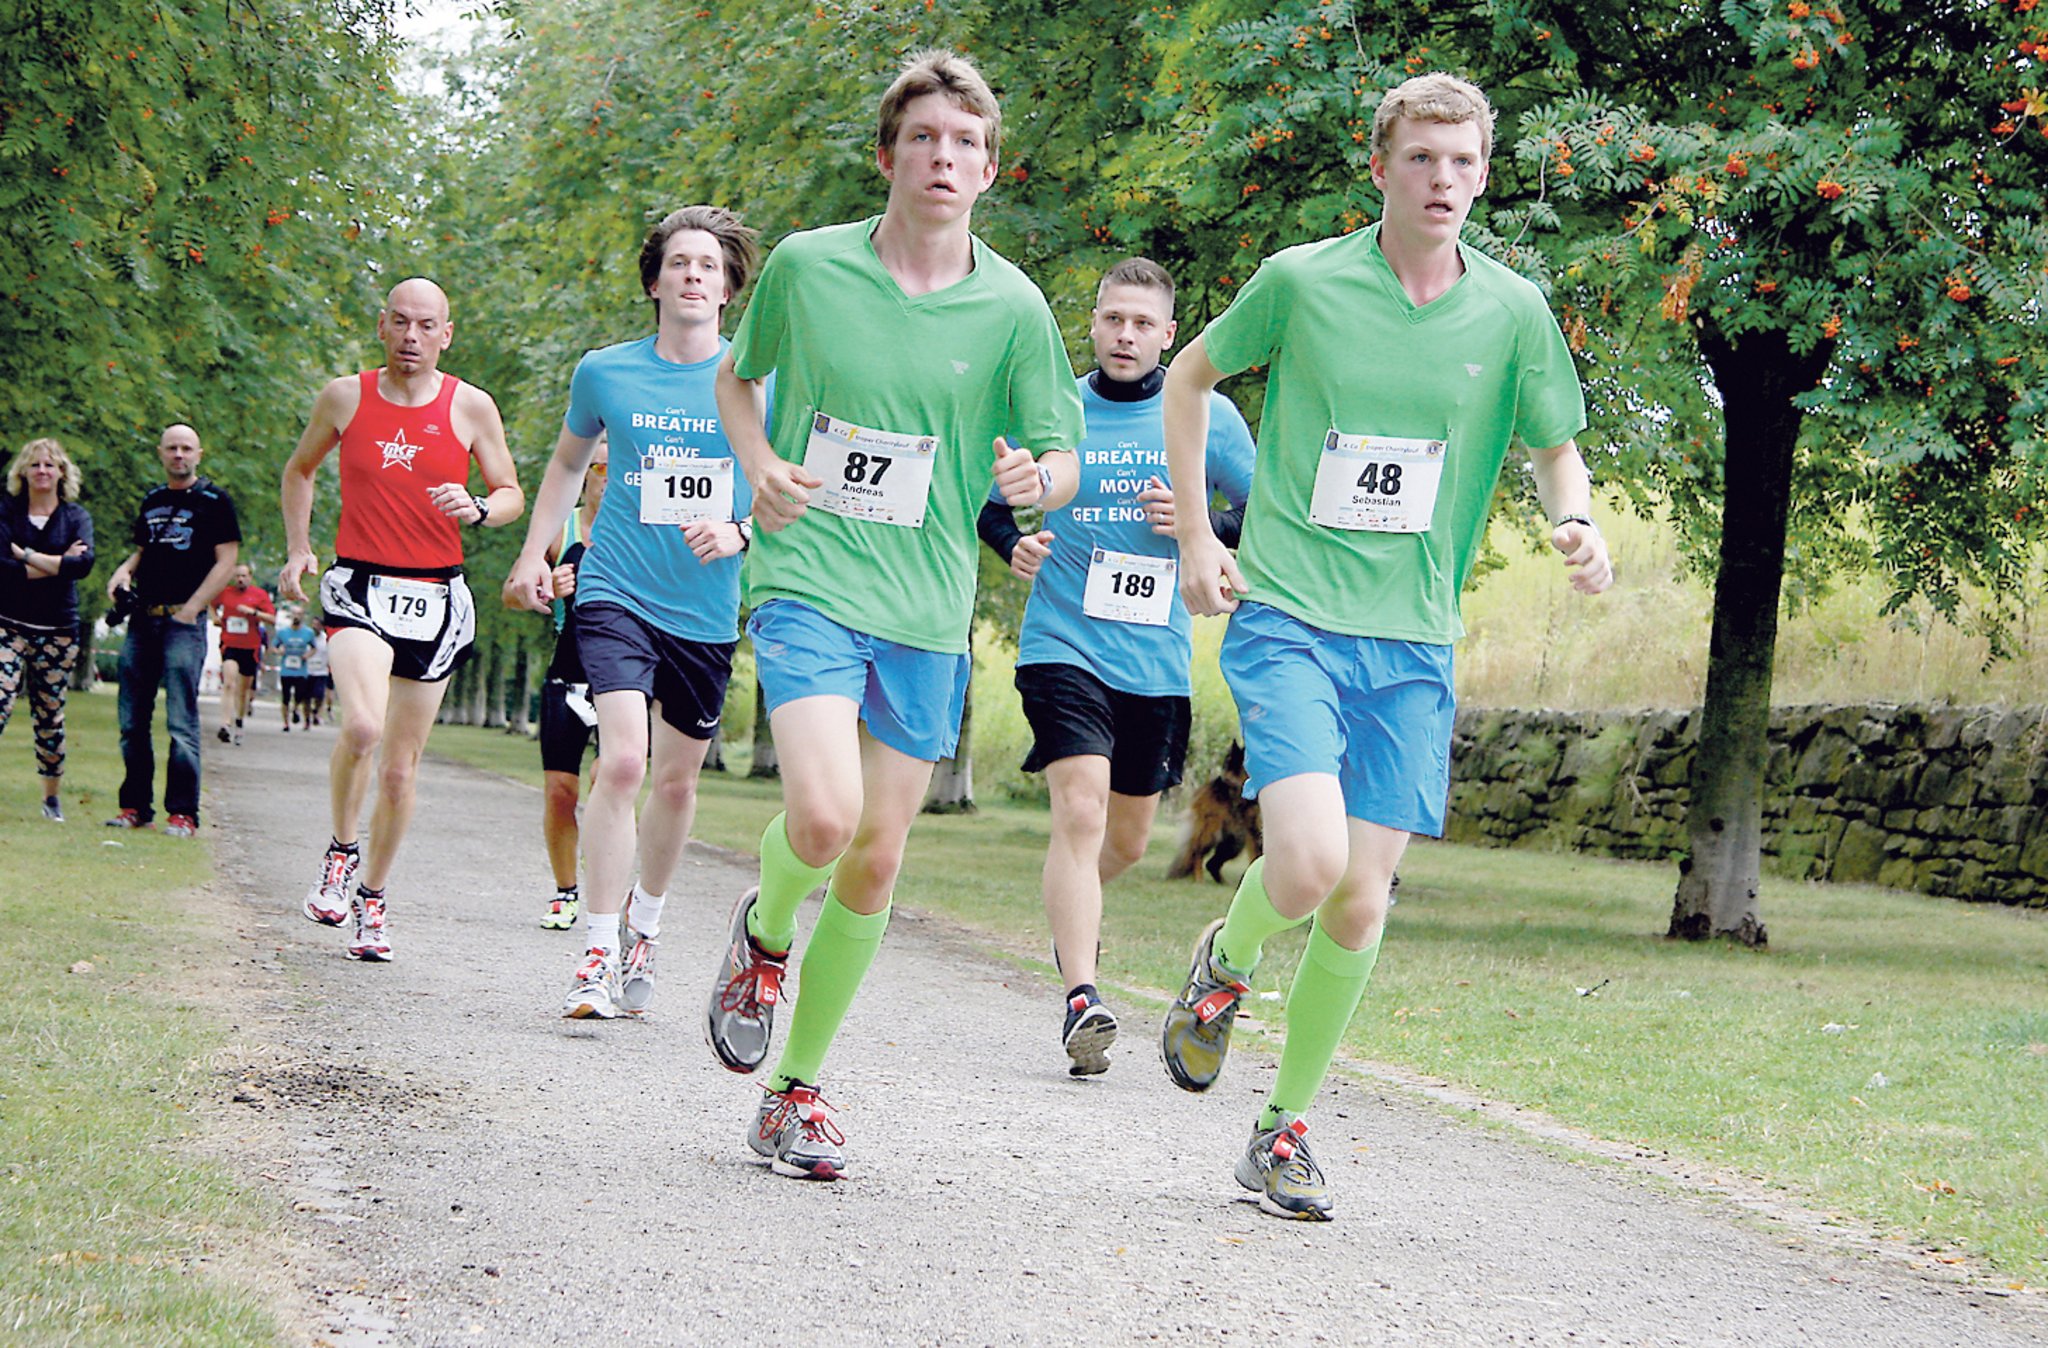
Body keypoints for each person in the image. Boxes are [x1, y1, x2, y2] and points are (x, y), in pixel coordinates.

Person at [1156, 74, 1614, 1221]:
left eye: (1463, 162)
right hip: (1291, 615)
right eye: (1421, 159)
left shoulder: (1511, 311)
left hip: (1411, 638)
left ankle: (1281, 1129)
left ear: (1484, 171)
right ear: (1380, 166)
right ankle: (1227, 959)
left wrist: (1579, 517)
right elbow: (1187, 377)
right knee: (1303, 866)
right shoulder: (1303, 281)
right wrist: (1203, 536)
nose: (1443, 181)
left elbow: (1557, 447)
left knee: (1360, 904)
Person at [705, 49, 1085, 1180]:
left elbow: (1059, 452)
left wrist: (1037, 485)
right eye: (923, 138)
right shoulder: (806, 268)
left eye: (965, 144)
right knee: (821, 819)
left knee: (874, 858)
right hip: (809, 575)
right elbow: (737, 380)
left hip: (925, 605)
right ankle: (767, 934)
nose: (943, 157)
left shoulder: (1013, 305)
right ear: (887, 155)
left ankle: (793, 1091)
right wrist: (761, 461)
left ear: (988, 172)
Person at [976, 258, 1254, 1076]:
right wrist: (1012, 541)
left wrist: (1204, 523)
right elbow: (988, 496)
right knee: (1081, 813)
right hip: (1063, 645)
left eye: (1143, 324)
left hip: (1156, 661)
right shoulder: (1055, 407)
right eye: (1112, 320)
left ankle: (1074, 907)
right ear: (1092, 325)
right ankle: (1081, 997)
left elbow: (1264, 509)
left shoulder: (1202, 413)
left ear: (1169, 335)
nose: (1125, 335)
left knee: (1125, 842)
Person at [505, 207, 759, 1015]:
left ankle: (646, 924)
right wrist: (533, 554)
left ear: (728, 289)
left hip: (707, 610)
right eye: (679, 263)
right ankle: (596, 952)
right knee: (621, 762)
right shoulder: (605, 373)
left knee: (677, 785)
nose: (693, 275)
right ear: (654, 282)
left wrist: (741, 530)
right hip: (615, 589)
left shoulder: (761, 383)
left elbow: (798, 488)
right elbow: (564, 467)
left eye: (708, 266)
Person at [281, 277, 524, 961]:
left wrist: (477, 507)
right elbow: (299, 472)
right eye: (401, 323)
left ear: (446, 334)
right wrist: (301, 548)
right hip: (358, 584)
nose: (412, 337)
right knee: (362, 725)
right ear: (381, 326)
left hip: (436, 597)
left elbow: (510, 494)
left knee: (400, 771)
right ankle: (340, 852)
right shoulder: (344, 396)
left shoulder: (471, 406)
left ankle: (374, 900)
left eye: (427, 326)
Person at [105, 424, 242, 836]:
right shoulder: (152, 500)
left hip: (184, 621)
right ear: (161, 453)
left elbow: (227, 562)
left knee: (181, 721)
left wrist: (194, 608)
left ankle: (183, 812)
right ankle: (134, 806)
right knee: (131, 720)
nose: (178, 455)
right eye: (171, 448)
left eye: (186, 448)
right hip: (142, 619)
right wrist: (123, 572)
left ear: (200, 453)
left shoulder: (215, 501)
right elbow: (144, 550)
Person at [528, 434, 608, 932]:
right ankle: (565, 891)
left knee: (609, 781)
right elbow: (517, 594)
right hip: (568, 675)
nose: (607, 478)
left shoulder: (646, 527)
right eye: (598, 468)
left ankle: (606, 885)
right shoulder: (563, 528)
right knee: (561, 791)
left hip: (624, 682)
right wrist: (547, 586)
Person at [0, 437, 96, 822]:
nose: (42, 471)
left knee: (49, 715)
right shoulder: (7, 512)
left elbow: (83, 566)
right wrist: (56, 563)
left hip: (57, 629)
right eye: (35, 464)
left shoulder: (75, 518)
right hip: (7, 623)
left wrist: (25, 556)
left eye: (50, 465)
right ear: (23, 471)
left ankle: (51, 797)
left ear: (62, 473)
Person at [211, 562, 275, 744]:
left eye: (243, 576)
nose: (240, 579)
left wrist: (253, 612)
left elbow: (272, 618)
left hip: (250, 648)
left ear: (250, 577)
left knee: (243, 690)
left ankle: (239, 721)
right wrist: (215, 617)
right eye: (237, 576)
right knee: (229, 683)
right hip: (230, 644)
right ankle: (225, 724)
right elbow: (211, 603)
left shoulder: (259, 595)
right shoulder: (225, 592)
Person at [272, 605, 319, 729]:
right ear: (291, 615)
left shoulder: (308, 633)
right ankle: (286, 723)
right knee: (285, 697)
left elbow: (314, 648)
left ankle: (296, 708)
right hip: (286, 670)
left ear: (303, 616)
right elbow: (273, 646)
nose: (296, 617)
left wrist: (307, 655)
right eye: (294, 614)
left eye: (299, 614)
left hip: (301, 670)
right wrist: (279, 651)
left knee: (300, 695)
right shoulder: (283, 632)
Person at [303, 624, 331, 727]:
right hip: (307, 671)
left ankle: (316, 712)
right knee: (306, 697)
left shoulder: (326, 639)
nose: (315, 627)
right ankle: (307, 720)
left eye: (317, 625)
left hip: (321, 671)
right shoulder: (306, 637)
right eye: (313, 625)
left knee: (319, 695)